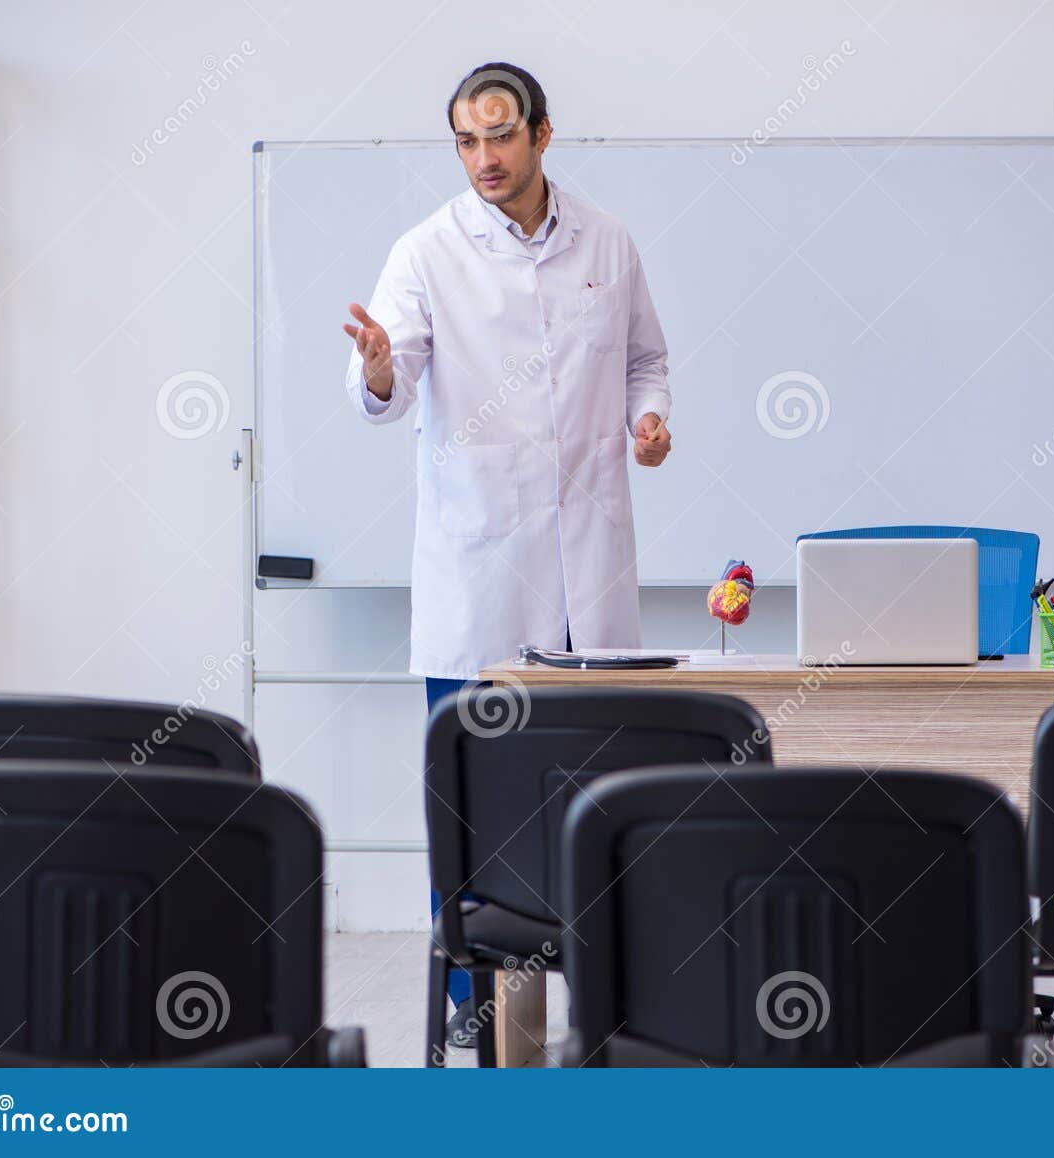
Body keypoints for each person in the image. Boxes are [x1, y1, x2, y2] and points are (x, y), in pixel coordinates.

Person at [342, 62, 673, 1049]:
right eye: (466, 140)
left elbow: (646, 360)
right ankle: (469, 1004)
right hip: (479, 578)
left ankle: (606, 999)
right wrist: (377, 370)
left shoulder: (606, 241)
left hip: (589, 574)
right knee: (473, 806)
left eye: (499, 136)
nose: (483, 158)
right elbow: (387, 386)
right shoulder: (426, 250)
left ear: (541, 134)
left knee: (600, 798)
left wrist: (649, 418)